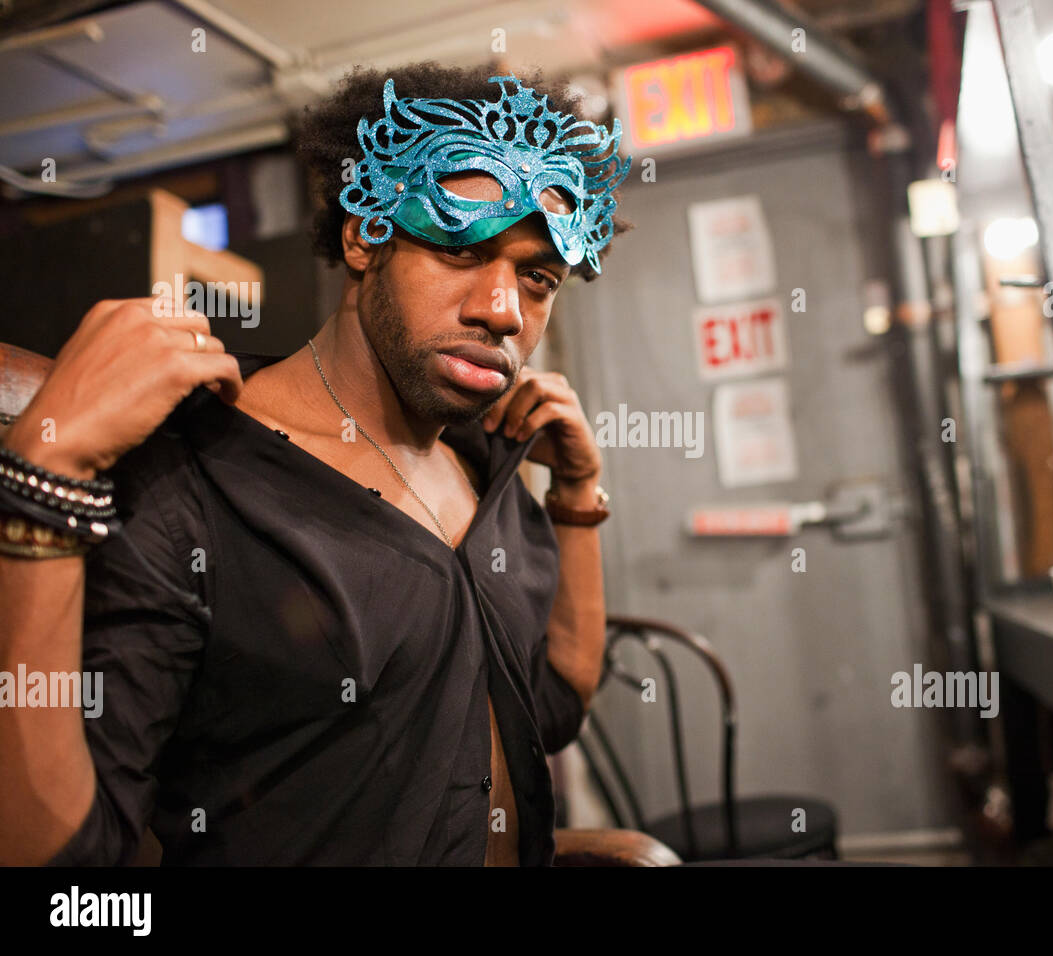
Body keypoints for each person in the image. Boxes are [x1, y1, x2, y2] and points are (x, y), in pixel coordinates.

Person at [0, 62, 631, 865]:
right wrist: (40, 483)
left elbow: (551, 710)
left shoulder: (491, 465)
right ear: (364, 234)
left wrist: (577, 496)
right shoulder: (194, 485)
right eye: (459, 248)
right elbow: (62, 875)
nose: (502, 311)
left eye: (537, 278)